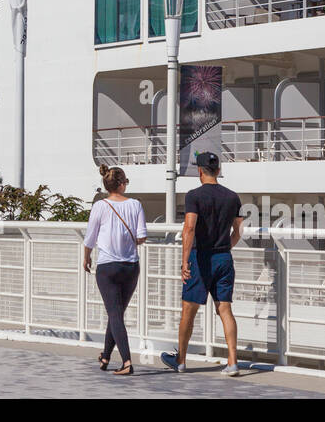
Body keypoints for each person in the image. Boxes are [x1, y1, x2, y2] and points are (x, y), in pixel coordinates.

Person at [162, 152, 243, 376]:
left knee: (188, 309)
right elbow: (238, 231)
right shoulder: (232, 197)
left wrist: (184, 261)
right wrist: (225, 248)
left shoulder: (194, 196)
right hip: (223, 257)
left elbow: (189, 228)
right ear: (218, 171)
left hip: (200, 258)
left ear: (200, 171)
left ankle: (180, 360)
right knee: (225, 309)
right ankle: (233, 362)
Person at [82, 165, 147, 376]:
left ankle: (127, 361)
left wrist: (86, 257)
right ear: (121, 184)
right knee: (116, 313)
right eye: (126, 182)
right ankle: (106, 356)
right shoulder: (135, 204)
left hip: (107, 267)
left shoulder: (100, 206)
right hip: (131, 266)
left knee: (115, 313)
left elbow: (90, 237)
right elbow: (141, 237)